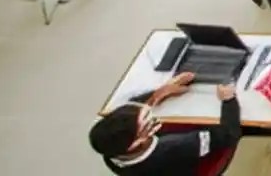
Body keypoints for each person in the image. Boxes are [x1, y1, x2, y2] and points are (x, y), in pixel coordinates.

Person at [88, 73, 242, 175]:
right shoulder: (175, 146)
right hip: (191, 162)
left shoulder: (111, 152)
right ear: (137, 142)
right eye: (147, 123)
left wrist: (159, 93)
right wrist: (228, 100)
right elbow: (228, 135)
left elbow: (133, 110)